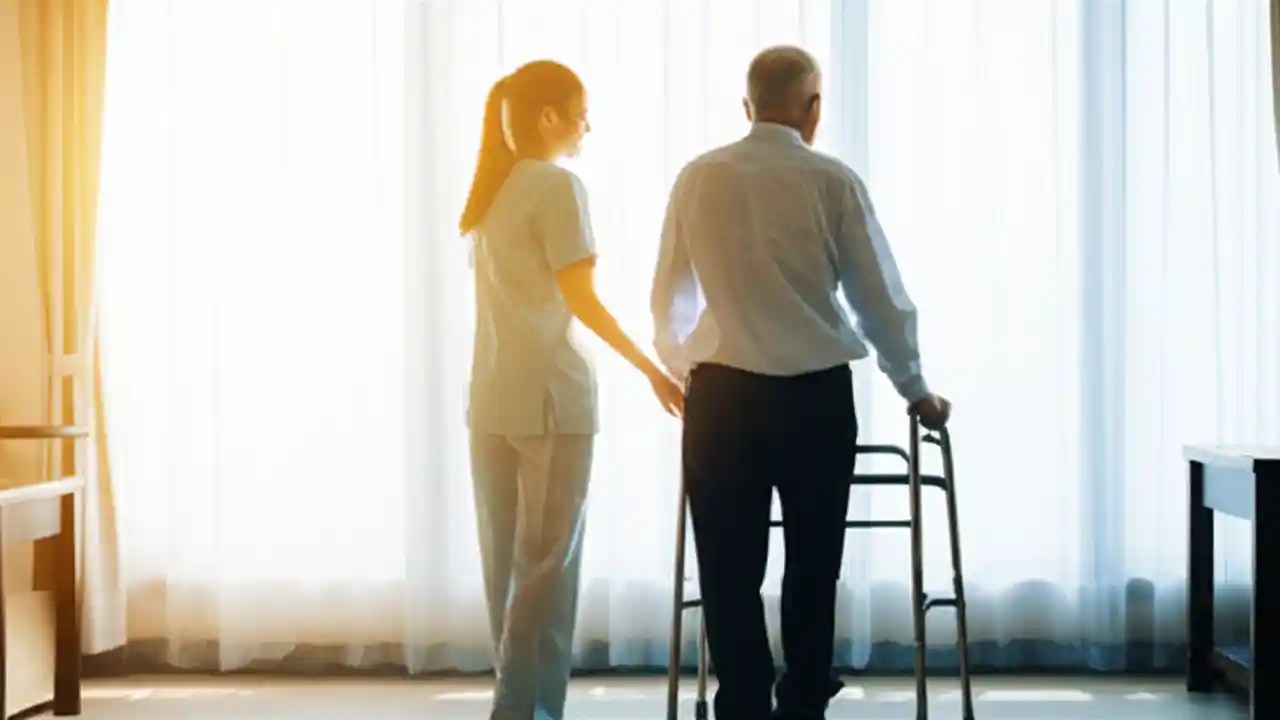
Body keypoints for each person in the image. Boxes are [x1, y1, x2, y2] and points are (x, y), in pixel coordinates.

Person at [651, 46, 952, 720]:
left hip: (721, 397)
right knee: (813, 561)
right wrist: (915, 389)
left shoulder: (698, 178)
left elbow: (669, 293)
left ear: (746, 106)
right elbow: (880, 297)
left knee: (728, 566)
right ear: (814, 109)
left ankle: (745, 701)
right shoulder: (831, 181)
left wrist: (680, 367)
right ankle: (805, 694)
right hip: (813, 396)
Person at [459, 59, 684, 720]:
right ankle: (523, 711)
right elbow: (581, 300)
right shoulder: (557, 186)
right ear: (549, 116)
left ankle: (518, 705)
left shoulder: (491, 191)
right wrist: (651, 369)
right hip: (553, 400)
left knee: (507, 570)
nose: (588, 124)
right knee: (547, 574)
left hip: (492, 399)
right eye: (581, 110)